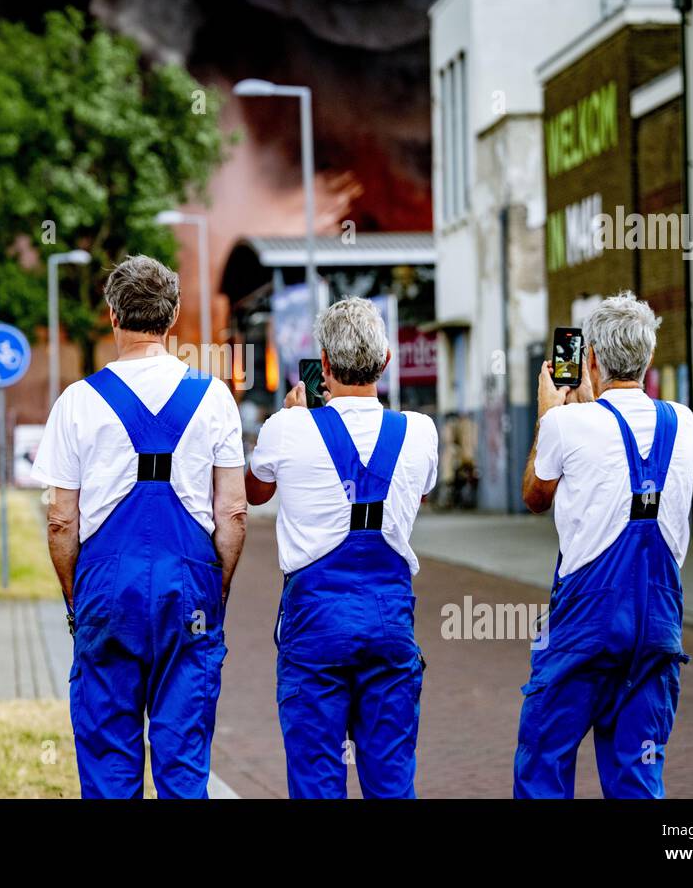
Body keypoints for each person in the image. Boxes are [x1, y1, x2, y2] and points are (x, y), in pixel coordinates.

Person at [33, 255, 247, 799]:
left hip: (106, 593)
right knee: (184, 757)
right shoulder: (215, 397)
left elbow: (62, 520)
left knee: (108, 756)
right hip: (191, 591)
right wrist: (216, 587)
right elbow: (234, 514)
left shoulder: (77, 402)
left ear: (111, 316)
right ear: (172, 317)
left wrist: (73, 595)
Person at [246, 297, 439, 798]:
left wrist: (294, 420)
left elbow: (254, 490)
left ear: (324, 366)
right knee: (392, 778)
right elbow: (417, 492)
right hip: (389, 622)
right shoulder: (420, 431)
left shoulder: (288, 428)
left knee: (315, 777)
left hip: (315, 627)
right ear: (386, 362)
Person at [517, 290, 693, 798]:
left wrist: (548, 414)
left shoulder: (566, 423)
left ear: (590, 359)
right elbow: (619, 439)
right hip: (657, 625)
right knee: (636, 774)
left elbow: (535, 495)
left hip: (584, 627)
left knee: (544, 767)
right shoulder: (681, 422)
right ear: (649, 358)